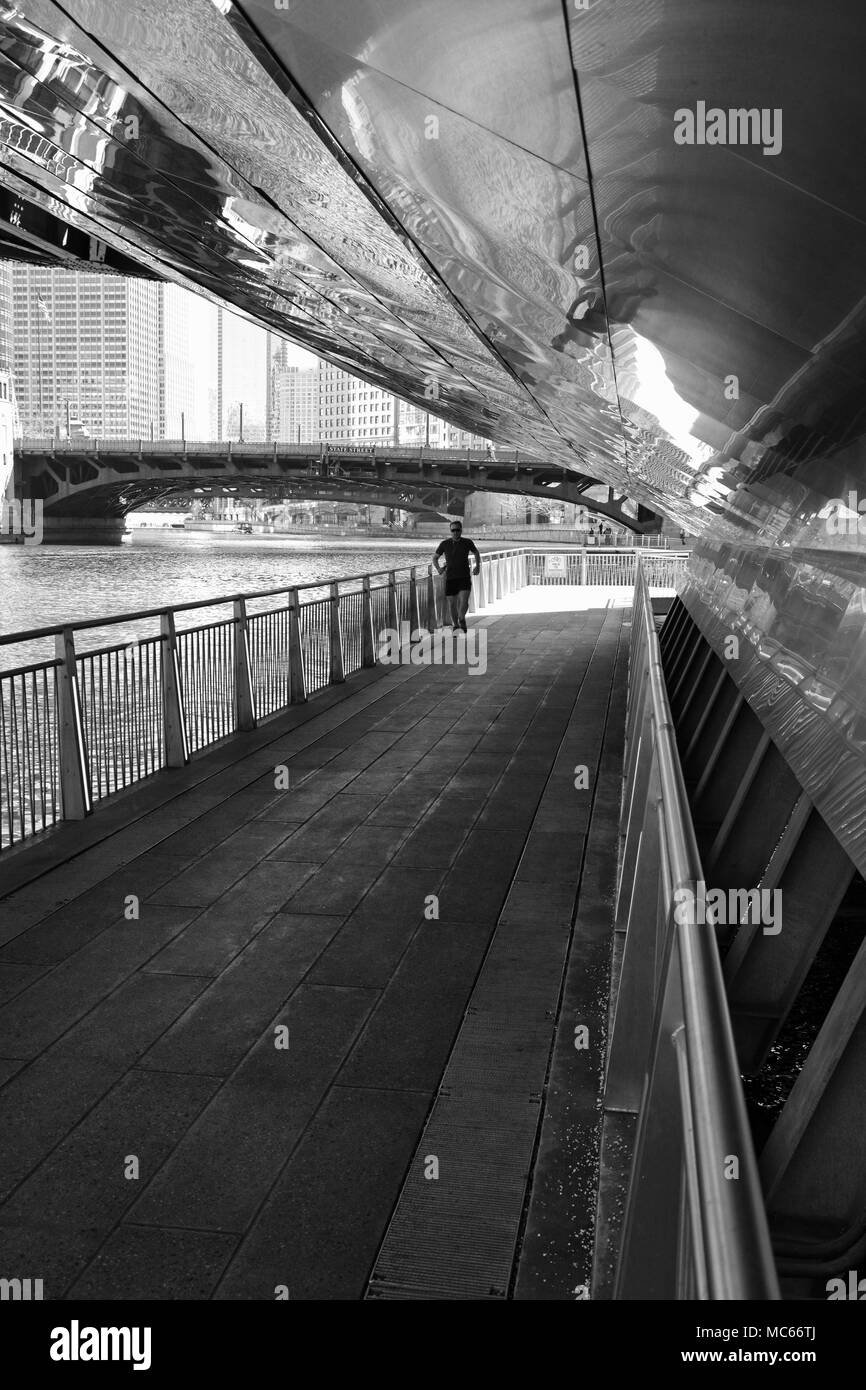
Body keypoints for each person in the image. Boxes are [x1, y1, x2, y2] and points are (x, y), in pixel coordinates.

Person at [434, 519, 481, 632]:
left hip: (464, 576)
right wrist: (439, 569)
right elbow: (435, 558)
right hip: (450, 578)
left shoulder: (467, 542)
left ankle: (461, 618)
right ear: (450, 531)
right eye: (453, 530)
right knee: (452, 603)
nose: (455, 532)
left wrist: (477, 566)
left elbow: (476, 552)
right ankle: (455, 625)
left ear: (461, 530)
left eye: (457, 530)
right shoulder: (445, 544)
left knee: (464, 600)